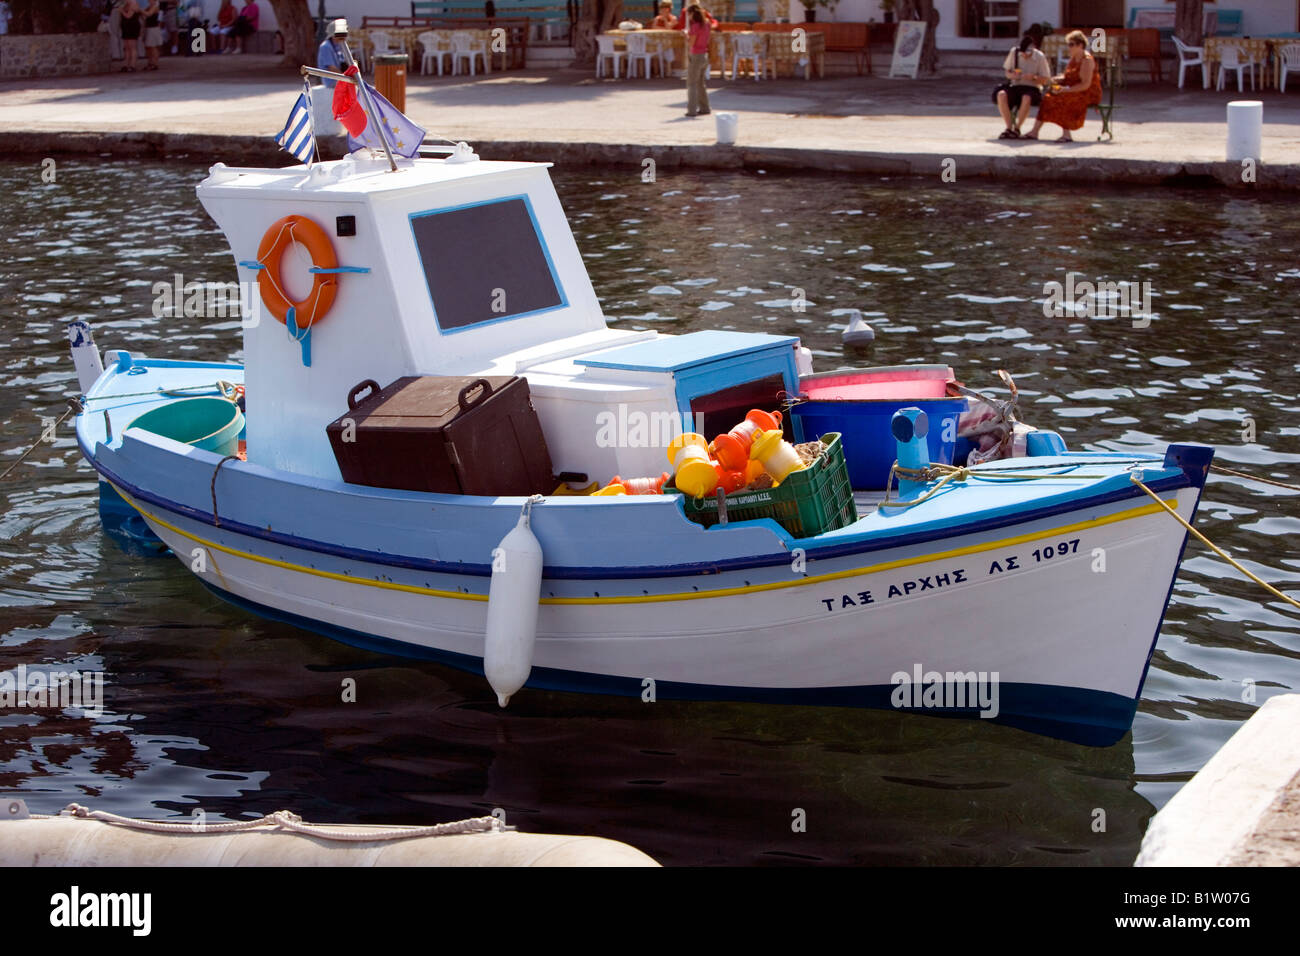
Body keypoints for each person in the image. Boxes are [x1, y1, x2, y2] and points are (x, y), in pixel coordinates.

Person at [1024, 29, 1102, 142]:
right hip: (1073, 88)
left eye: (1071, 44)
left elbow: (1085, 84)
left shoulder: (1087, 60)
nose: (1069, 47)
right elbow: (1066, 76)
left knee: (1064, 98)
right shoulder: (1074, 58)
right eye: (1068, 44)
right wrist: (1053, 80)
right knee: (1048, 98)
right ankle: (1034, 131)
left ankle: (1066, 135)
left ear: (1080, 45)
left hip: (1088, 92)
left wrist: (1065, 89)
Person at [994, 31, 1050, 139]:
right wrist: (1013, 75)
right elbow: (1007, 72)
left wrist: (1033, 77)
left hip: (1032, 87)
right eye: (1022, 52)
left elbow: (1045, 79)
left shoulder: (1039, 57)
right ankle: (1009, 127)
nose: (1024, 55)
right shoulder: (1014, 53)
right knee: (1001, 94)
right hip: (1016, 85)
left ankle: (1017, 128)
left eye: (1027, 53)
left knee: (1026, 97)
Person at [677, 4, 716, 117]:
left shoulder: (695, 27)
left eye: (688, 14)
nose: (688, 17)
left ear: (692, 14)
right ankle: (705, 108)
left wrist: (685, 35)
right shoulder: (707, 25)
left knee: (691, 83)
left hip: (696, 55)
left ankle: (692, 110)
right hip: (704, 55)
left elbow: (691, 43)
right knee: (700, 83)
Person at [317, 20, 349, 87]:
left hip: (339, 78)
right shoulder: (326, 46)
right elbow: (332, 68)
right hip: (331, 80)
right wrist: (346, 79)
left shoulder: (339, 45)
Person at [119, 0, 142, 71]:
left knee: (132, 46)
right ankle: (126, 64)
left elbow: (129, 16)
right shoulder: (125, 4)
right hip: (126, 27)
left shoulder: (133, 3)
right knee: (126, 47)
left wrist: (121, 11)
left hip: (132, 27)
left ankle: (133, 65)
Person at [142, 0, 162, 70]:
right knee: (148, 47)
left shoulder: (155, 7)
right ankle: (150, 62)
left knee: (153, 47)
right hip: (148, 28)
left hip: (153, 28)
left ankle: (155, 63)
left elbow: (149, 14)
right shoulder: (148, 7)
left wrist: (139, 10)